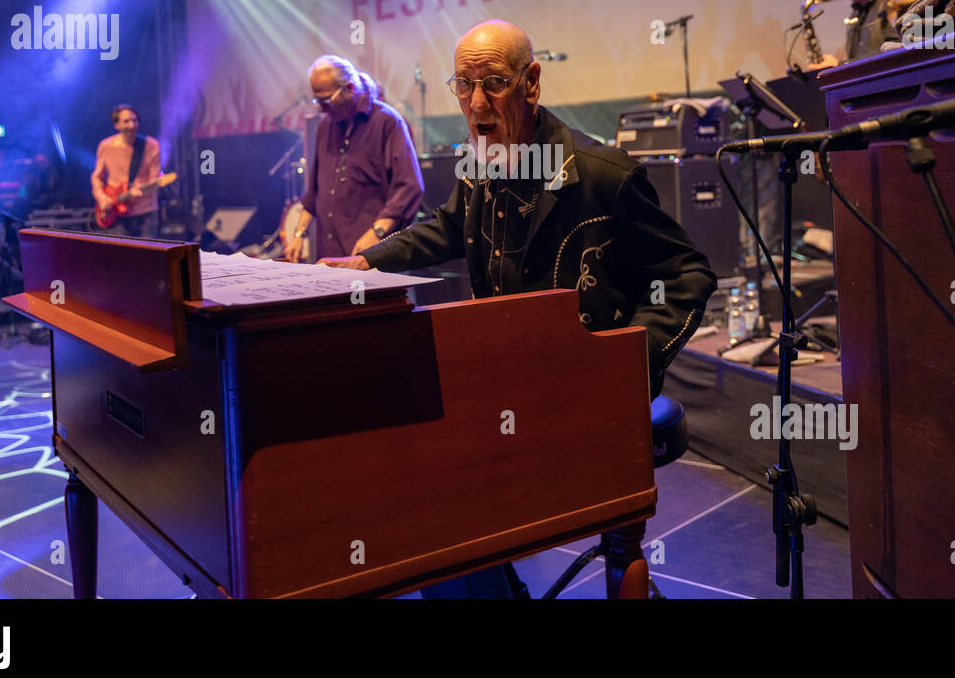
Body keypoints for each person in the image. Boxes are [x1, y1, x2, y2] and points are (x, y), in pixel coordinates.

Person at [321, 20, 716, 399]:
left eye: (495, 83)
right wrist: (366, 261)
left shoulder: (604, 175)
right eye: (463, 84)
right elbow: (450, 227)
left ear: (530, 83)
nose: (476, 103)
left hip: (587, 390)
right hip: (515, 375)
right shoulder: (479, 160)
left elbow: (685, 276)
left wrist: (629, 361)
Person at [283, 56, 423, 263]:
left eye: (326, 100)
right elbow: (314, 194)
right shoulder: (325, 126)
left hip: (373, 258)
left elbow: (410, 187)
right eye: (317, 101)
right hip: (330, 256)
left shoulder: (387, 121)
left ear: (349, 88)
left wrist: (377, 233)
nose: (322, 108)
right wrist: (298, 235)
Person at [91, 104, 162, 238]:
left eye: (135, 120)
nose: (132, 125)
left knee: (148, 256)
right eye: (126, 121)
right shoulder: (106, 146)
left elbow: (155, 180)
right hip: (116, 211)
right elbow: (97, 177)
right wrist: (102, 198)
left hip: (145, 211)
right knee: (121, 256)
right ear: (116, 125)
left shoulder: (151, 146)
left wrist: (143, 190)